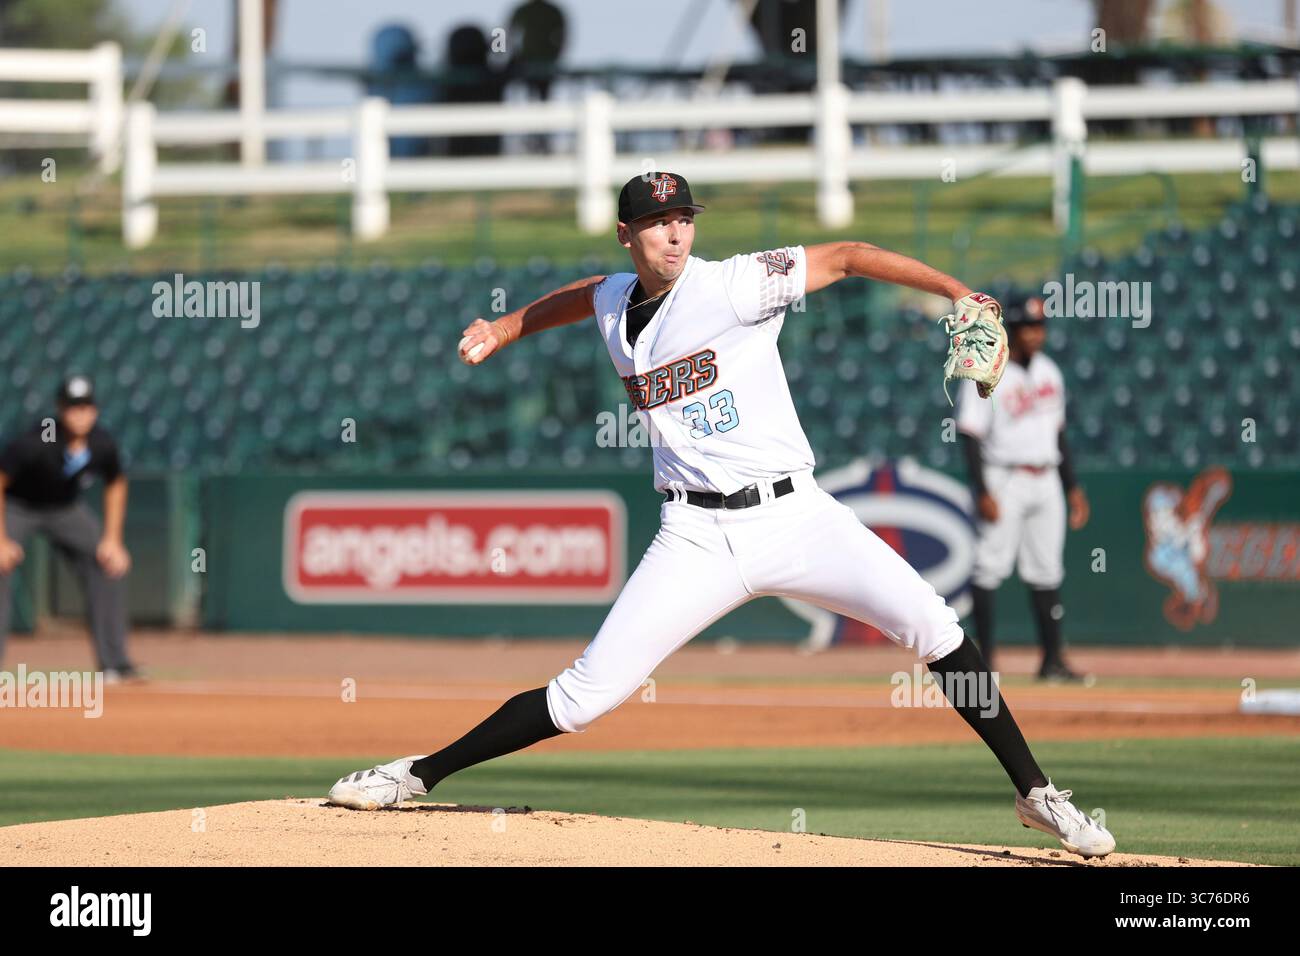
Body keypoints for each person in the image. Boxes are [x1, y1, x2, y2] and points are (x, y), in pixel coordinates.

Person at [327, 172, 1115, 858]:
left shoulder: (734, 283)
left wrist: (956, 293)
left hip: (795, 515)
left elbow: (845, 255)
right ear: (626, 234)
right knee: (581, 699)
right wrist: (506, 327)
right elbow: (584, 298)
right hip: (695, 534)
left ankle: (1036, 793)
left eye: (685, 218)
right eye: (659, 222)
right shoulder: (613, 299)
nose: (676, 232)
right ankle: (414, 775)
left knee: (937, 630)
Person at [956, 294, 1090, 681]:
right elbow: (970, 436)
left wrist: (1073, 486)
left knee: (1047, 571)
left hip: (1046, 476)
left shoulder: (1049, 370)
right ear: (1010, 331)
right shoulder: (985, 371)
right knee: (989, 566)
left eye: (1039, 327)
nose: (1035, 334)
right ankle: (984, 664)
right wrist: (982, 490)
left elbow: (1058, 433)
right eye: (1027, 328)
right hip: (1005, 477)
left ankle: (1052, 661)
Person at [0, 375, 137, 679]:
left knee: (108, 564)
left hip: (64, 508)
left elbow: (116, 482)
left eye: (86, 407)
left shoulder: (101, 443)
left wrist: (113, 540)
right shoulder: (38, 441)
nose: (80, 414)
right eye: (73, 408)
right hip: (17, 505)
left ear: (96, 410)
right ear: (61, 411)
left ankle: (114, 663)